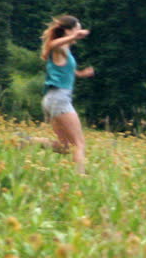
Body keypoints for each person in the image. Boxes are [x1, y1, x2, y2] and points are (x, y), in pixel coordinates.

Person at [24, 15, 94, 174]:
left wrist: (80, 73)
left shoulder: (66, 50)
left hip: (52, 99)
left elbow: (64, 70)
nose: (79, 32)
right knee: (79, 143)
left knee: (64, 146)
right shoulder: (60, 48)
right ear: (67, 31)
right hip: (59, 99)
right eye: (77, 28)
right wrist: (74, 36)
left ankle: (27, 141)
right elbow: (52, 44)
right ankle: (80, 177)